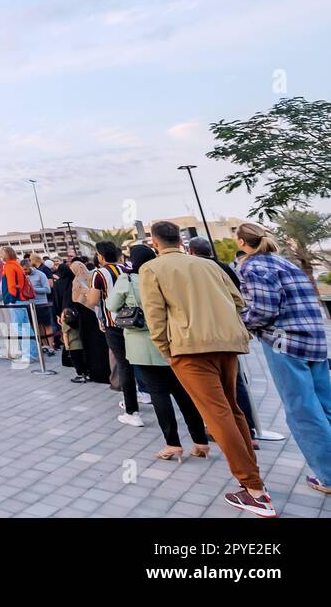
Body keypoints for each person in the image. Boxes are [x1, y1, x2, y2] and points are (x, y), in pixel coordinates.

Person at [140, 220, 274, 517]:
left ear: (155, 242)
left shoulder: (152, 269)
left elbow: (155, 315)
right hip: (227, 344)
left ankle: (254, 489)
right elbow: (238, 300)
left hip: (190, 348)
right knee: (232, 409)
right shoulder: (209, 265)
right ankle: (252, 477)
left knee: (217, 415)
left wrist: (166, 350)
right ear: (180, 239)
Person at [236, 221, 331, 497]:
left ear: (243, 242)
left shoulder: (253, 266)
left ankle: (327, 475)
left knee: (302, 411)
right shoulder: (285, 263)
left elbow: (263, 310)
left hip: (284, 343)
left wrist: (243, 321)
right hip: (314, 341)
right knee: (325, 406)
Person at [110, 244, 209, 460]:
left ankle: (173, 443)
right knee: (183, 392)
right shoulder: (164, 275)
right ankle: (200, 440)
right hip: (174, 340)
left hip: (143, 344)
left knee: (159, 394)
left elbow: (112, 304)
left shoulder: (127, 280)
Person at [187, 236, 282, 444]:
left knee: (213, 389)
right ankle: (248, 430)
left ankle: (223, 432)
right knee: (236, 384)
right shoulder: (224, 268)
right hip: (229, 333)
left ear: (191, 252)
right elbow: (240, 297)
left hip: (204, 335)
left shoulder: (193, 270)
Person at [86, 241, 143, 426]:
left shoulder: (99, 274)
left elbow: (93, 300)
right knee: (138, 360)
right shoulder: (126, 268)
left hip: (113, 323)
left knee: (124, 364)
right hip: (134, 320)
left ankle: (132, 410)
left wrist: (87, 294)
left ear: (101, 256)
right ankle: (142, 393)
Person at [69, 257, 112, 383]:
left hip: (85, 321)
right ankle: (106, 373)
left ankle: (96, 373)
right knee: (101, 346)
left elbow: (75, 300)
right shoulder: (91, 278)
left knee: (91, 348)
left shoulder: (76, 283)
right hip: (95, 317)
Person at [1, 247, 35, 367]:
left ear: (7, 254)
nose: (1, 254)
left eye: (2, 252)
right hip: (23, 300)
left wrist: (10, 298)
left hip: (16, 300)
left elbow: (11, 286)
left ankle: (27, 355)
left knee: (20, 328)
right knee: (27, 328)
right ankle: (33, 353)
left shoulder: (9, 266)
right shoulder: (17, 265)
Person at [27, 252, 56, 353]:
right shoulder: (26, 276)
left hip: (43, 303)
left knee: (47, 325)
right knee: (38, 325)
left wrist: (33, 289)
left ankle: (52, 346)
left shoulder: (42, 272)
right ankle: (45, 345)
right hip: (31, 304)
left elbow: (49, 288)